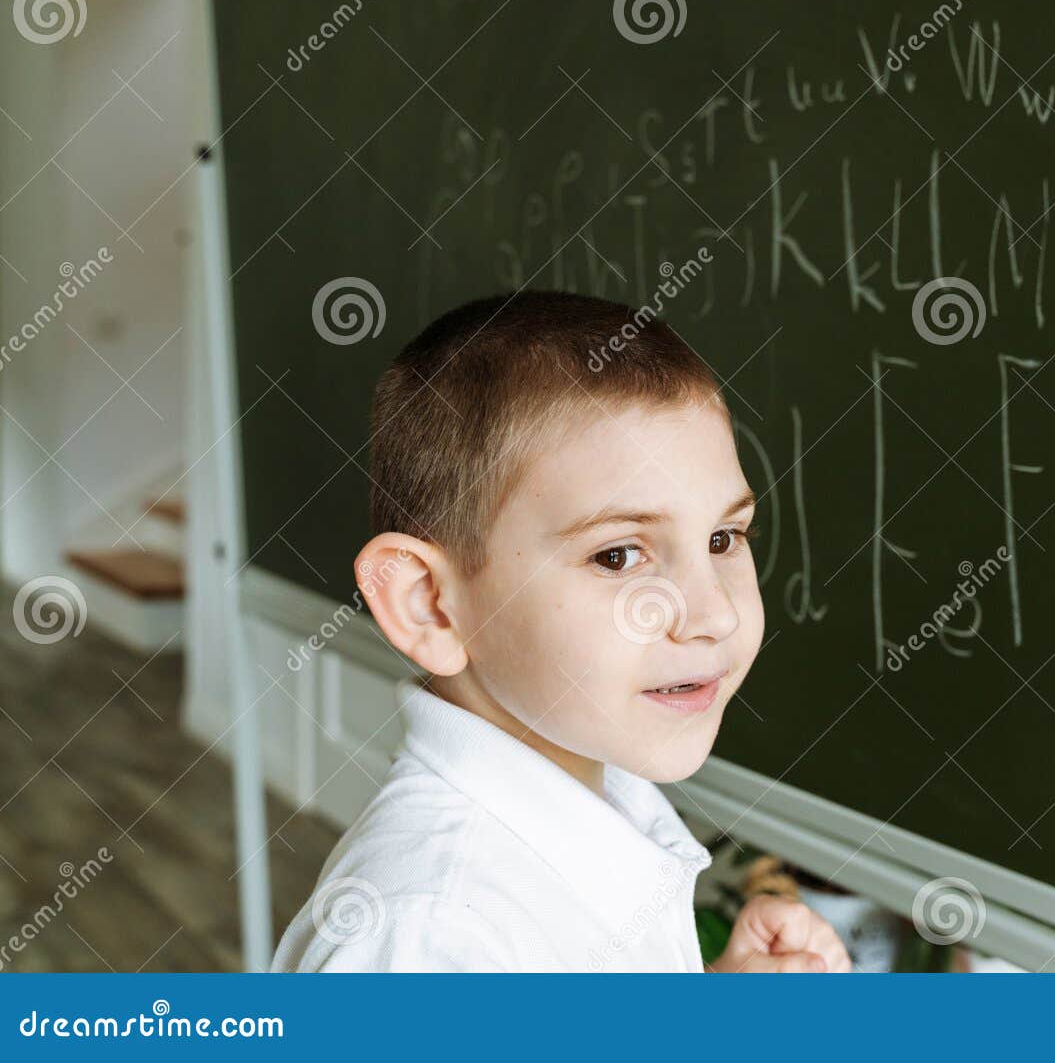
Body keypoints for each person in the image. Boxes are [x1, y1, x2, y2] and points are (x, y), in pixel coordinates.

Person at [272, 290, 850, 972]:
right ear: (428, 604)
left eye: (724, 538)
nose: (715, 614)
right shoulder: (432, 937)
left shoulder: (598, 801)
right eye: (618, 555)